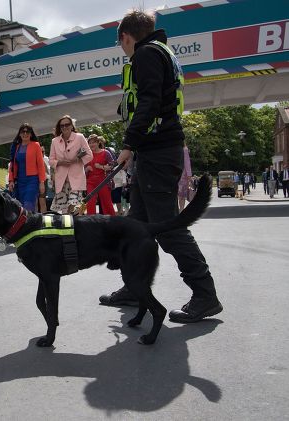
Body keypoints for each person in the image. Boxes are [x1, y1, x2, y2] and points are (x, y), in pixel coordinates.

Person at [99, 10, 222, 323]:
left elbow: (149, 103)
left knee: (167, 229)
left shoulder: (146, 55)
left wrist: (128, 144)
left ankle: (205, 294)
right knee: (136, 225)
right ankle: (134, 287)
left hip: (157, 151)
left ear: (126, 37)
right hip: (154, 150)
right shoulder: (162, 52)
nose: (123, 49)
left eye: (121, 44)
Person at [49, 115, 92, 214]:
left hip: (76, 178)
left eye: (67, 124)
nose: (64, 127)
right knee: (64, 211)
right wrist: (60, 162)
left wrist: (77, 159)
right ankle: (68, 227)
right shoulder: (54, 141)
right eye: (62, 125)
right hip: (61, 180)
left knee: (73, 206)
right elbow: (51, 160)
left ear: (72, 126)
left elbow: (89, 155)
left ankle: (75, 224)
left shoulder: (80, 137)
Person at [8, 123, 46, 212]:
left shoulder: (36, 145)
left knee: (28, 204)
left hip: (32, 180)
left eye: (27, 131)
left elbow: (40, 165)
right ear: (20, 134)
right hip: (19, 181)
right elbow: (12, 165)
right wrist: (11, 180)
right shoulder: (16, 147)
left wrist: (42, 182)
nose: (25, 134)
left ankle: (29, 224)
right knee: (20, 205)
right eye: (23, 132)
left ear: (31, 134)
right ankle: (24, 224)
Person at [85, 134, 116, 215]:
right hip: (90, 182)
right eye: (90, 143)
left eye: (93, 142)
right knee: (90, 202)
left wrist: (101, 166)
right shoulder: (87, 155)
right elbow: (82, 171)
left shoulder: (106, 152)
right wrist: (87, 169)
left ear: (98, 142)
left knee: (107, 202)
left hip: (103, 181)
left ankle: (112, 221)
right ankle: (91, 222)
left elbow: (112, 166)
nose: (91, 144)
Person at [177, 143, 192, 211]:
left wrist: (189, 175)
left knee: (180, 195)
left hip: (179, 175)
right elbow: (187, 162)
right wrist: (189, 175)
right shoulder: (184, 149)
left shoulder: (184, 149)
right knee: (181, 195)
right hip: (181, 175)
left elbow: (187, 162)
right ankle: (181, 210)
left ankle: (181, 210)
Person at [39, 145, 51, 212]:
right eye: (40, 151)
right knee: (35, 201)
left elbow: (49, 173)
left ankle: (43, 218)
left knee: (42, 201)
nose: (42, 153)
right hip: (34, 181)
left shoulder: (46, 159)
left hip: (44, 181)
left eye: (43, 151)